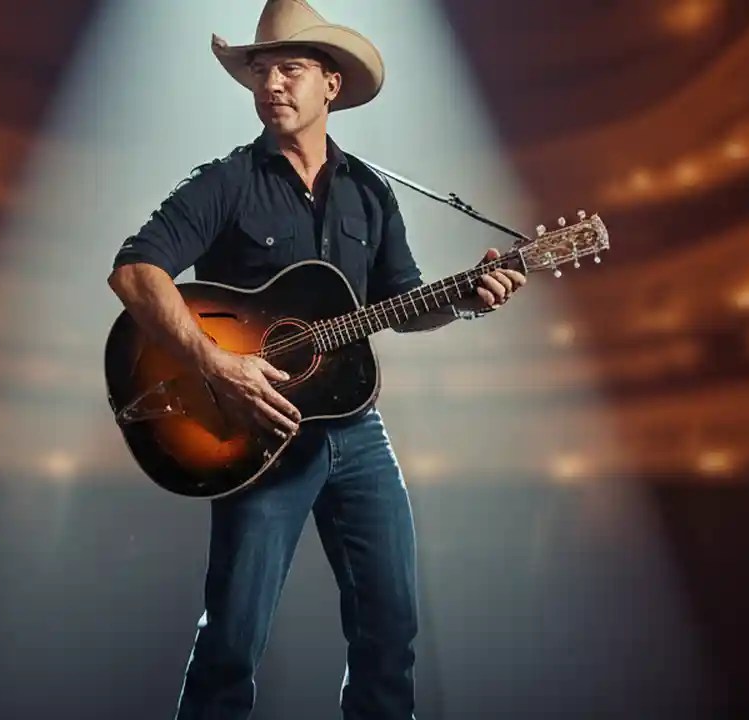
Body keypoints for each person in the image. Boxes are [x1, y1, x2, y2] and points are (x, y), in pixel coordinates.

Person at [107, 1, 526, 717]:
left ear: (330, 84)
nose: (271, 84)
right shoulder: (227, 181)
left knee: (391, 627)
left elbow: (404, 301)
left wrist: (465, 298)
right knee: (234, 638)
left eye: (289, 69)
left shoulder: (369, 192)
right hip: (258, 431)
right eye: (261, 70)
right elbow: (134, 271)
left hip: (355, 431)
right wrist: (217, 363)